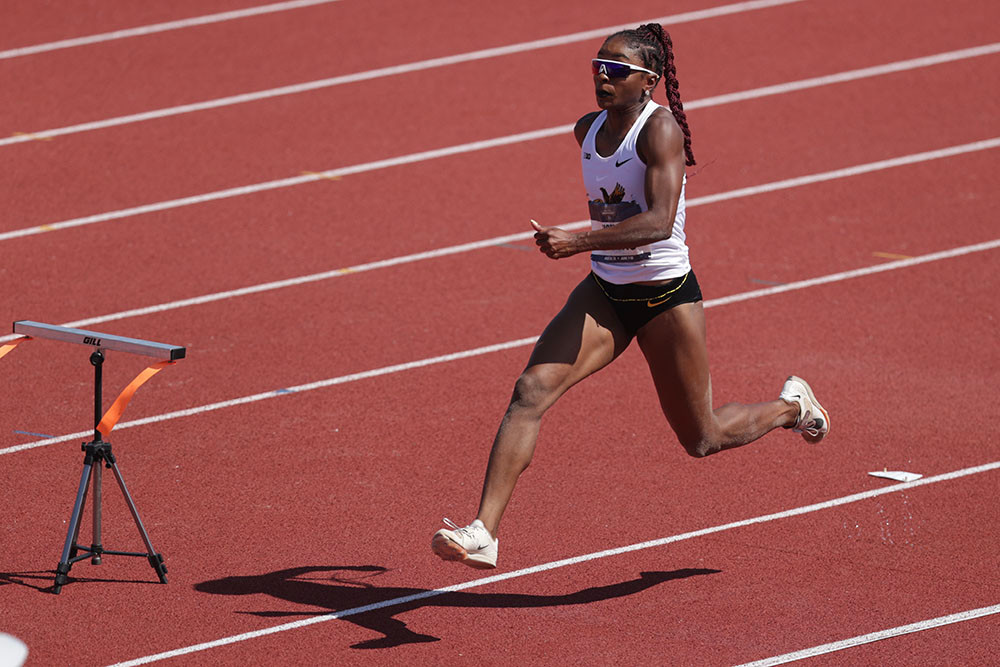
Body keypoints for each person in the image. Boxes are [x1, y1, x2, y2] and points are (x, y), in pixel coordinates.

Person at [431, 23, 829, 570]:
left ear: (648, 81)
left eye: (616, 69)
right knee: (530, 391)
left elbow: (660, 222)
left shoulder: (659, 131)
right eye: (598, 66)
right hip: (606, 293)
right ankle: (484, 532)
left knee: (703, 439)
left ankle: (791, 407)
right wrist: (585, 248)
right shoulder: (586, 130)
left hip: (666, 298)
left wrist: (577, 241)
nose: (603, 76)